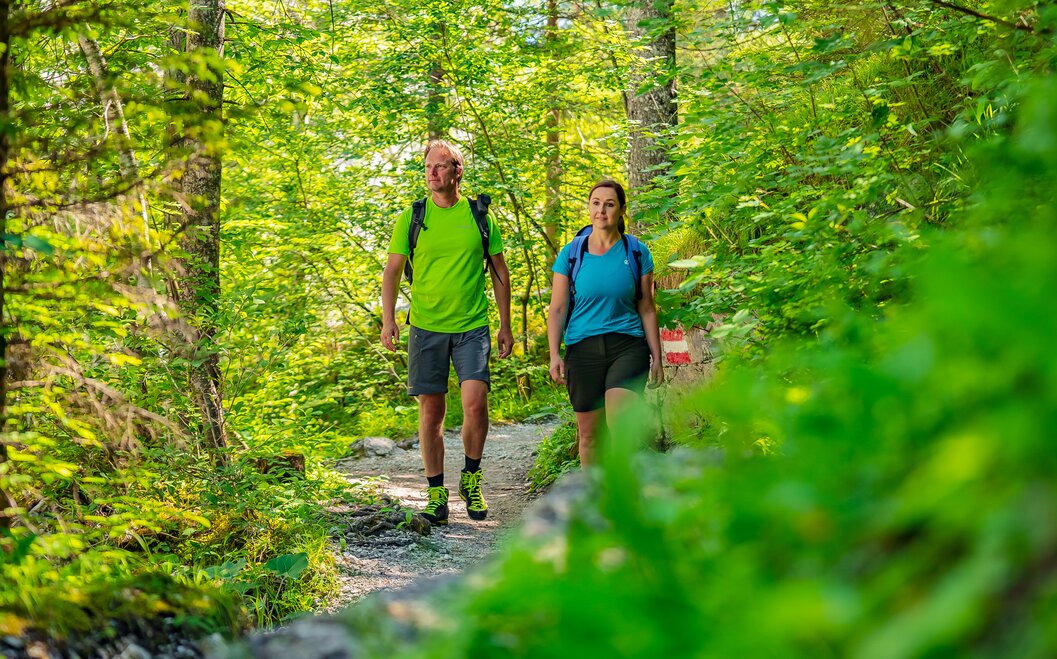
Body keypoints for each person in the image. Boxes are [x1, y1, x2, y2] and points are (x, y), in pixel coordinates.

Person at [381, 139, 513, 525]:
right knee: (431, 411)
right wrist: (389, 320)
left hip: (472, 326)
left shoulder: (480, 216)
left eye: (439, 166)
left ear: (457, 170)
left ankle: (471, 478)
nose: (431, 173)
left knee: (475, 403)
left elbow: (500, 273)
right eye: (427, 167)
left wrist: (506, 325)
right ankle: (436, 490)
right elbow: (391, 272)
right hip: (425, 327)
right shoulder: (413, 216)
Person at [547, 180, 663, 465]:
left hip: (628, 346)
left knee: (620, 422)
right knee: (589, 436)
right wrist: (554, 355)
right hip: (582, 350)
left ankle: (623, 497)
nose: (601, 210)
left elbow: (647, 308)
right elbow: (558, 308)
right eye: (596, 203)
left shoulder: (636, 253)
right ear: (589, 208)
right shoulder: (571, 254)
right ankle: (594, 502)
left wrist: (657, 357)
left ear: (621, 210)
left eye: (609, 204)